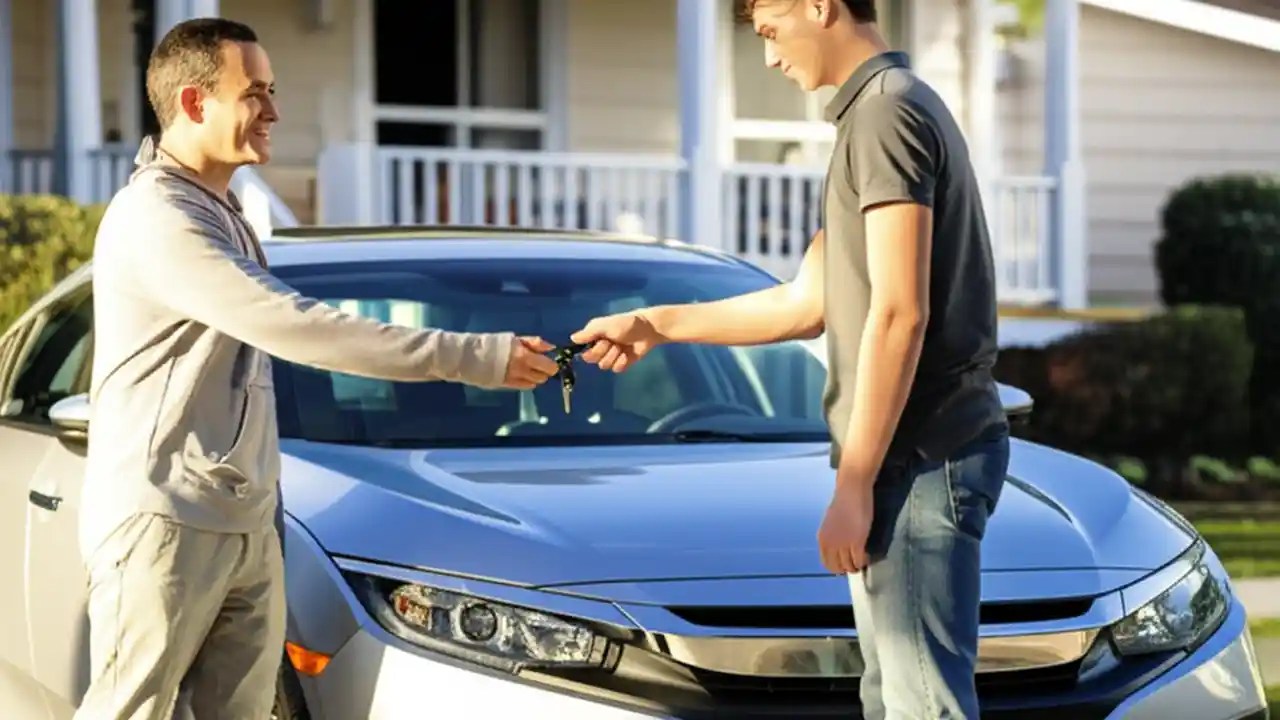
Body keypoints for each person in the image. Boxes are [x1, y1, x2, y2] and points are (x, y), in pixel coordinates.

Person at [76, 17, 560, 720]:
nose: (274, 109)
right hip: (165, 519)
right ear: (193, 104)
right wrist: (476, 357)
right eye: (256, 93)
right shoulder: (158, 217)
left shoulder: (226, 209)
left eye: (273, 89)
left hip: (244, 516)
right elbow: (298, 326)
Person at [570, 1, 1010, 717]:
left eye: (770, 31)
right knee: (896, 696)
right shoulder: (882, 112)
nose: (769, 57)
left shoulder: (885, 115)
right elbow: (805, 303)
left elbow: (901, 313)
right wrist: (655, 324)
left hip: (918, 458)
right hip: (917, 457)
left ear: (818, 5)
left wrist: (856, 483)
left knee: (922, 704)